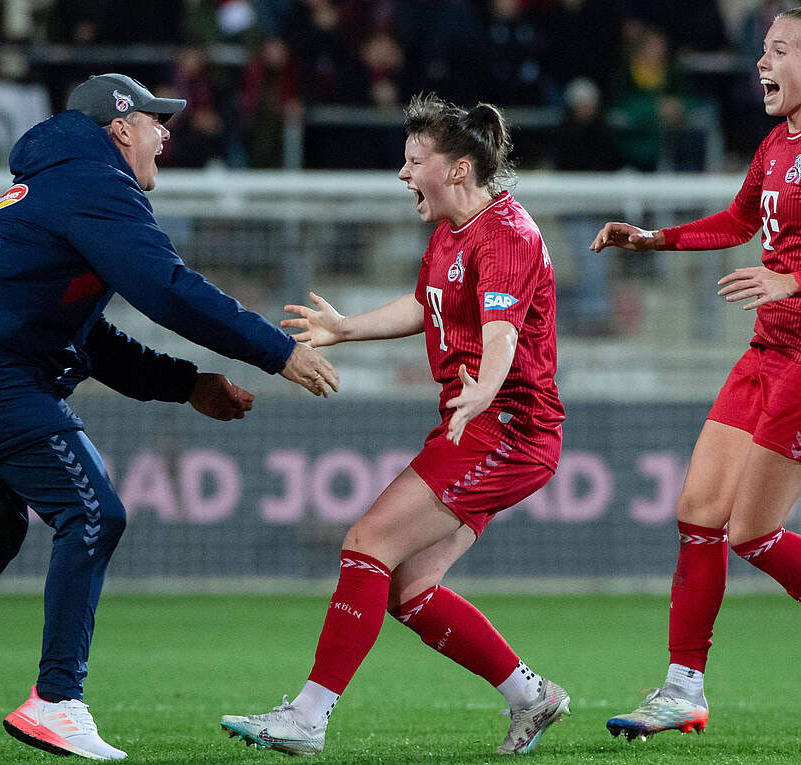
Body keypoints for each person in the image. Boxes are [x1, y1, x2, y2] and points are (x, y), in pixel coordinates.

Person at [0, 72, 339, 759]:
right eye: (153, 120)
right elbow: (168, 289)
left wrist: (187, 383)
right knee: (96, 511)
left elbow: (90, 336)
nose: (166, 133)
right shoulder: (94, 182)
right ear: (118, 128)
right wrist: (275, 349)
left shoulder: (47, 186)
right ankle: (56, 699)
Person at [590, 6, 801, 740]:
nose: (761, 64)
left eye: (779, 51)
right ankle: (682, 688)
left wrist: (794, 282)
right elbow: (738, 222)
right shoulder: (779, 143)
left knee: (751, 531)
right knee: (697, 512)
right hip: (768, 352)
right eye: (762, 52)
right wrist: (651, 238)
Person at [219, 93, 569, 757]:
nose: (404, 174)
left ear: (459, 169)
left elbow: (500, 335)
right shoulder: (451, 231)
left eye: (415, 161)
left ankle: (308, 715)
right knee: (409, 590)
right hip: (477, 422)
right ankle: (531, 694)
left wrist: (485, 390)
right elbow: (422, 304)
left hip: (508, 427)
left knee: (367, 540)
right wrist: (344, 328)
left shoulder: (509, 236)